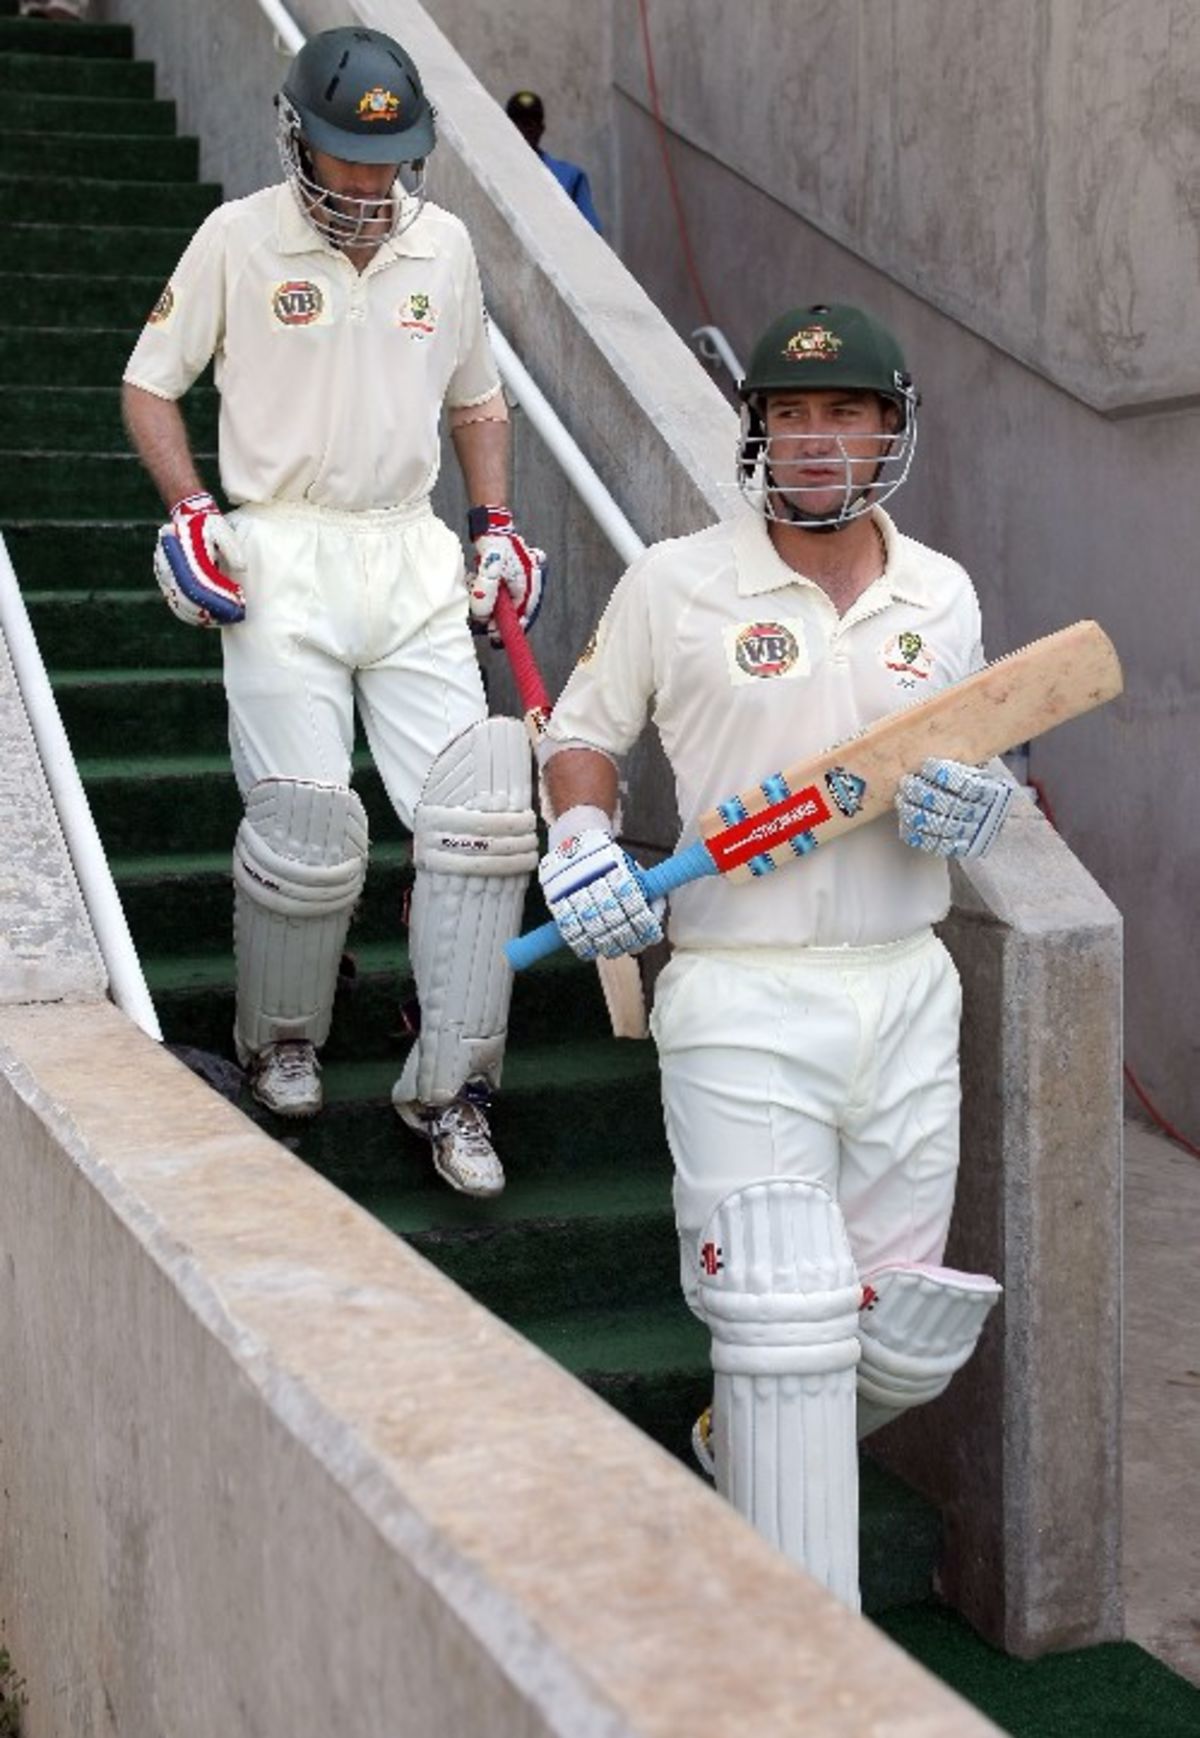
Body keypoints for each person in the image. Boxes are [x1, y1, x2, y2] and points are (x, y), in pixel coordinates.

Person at [535, 303, 1009, 1607]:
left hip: (905, 983)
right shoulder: (676, 582)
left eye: (845, 411)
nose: (815, 438)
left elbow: (967, 749)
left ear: (891, 429)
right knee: (778, 1314)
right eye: (789, 414)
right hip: (740, 992)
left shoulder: (943, 592)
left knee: (905, 1333)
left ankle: (733, 1438)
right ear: (755, 433)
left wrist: (980, 799)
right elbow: (581, 733)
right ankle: (795, 1652)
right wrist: (581, 834)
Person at [121, 26, 546, 1199]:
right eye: (347, 156)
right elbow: (150, 385)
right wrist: (193, 510)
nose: (369, 181)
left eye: (390, 158)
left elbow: (478, 401)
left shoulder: (442, 246)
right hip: (281, 549)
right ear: (296, 137)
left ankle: (456, 1089)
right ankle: (281, 1041)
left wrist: (494, 526)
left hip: (407, 550)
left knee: (480, 820)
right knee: (306, 821)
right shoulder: (237, 237)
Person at [505, 90, 602, 234]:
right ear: (506, 128)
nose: (525, 129)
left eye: (531, 123)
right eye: (518, 123)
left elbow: (592, 234)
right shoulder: (495, 174)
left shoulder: (571, 177)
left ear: (541, 129)